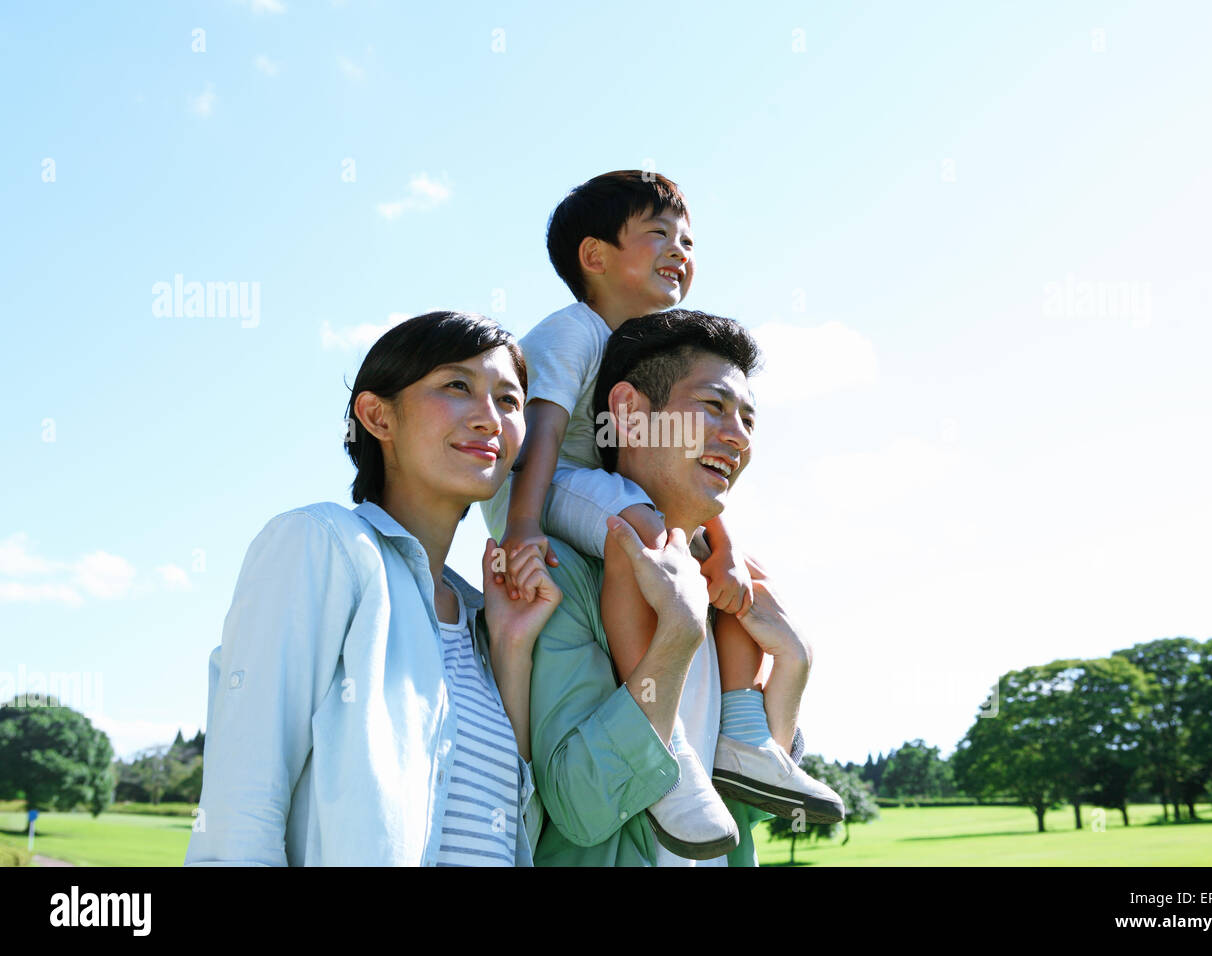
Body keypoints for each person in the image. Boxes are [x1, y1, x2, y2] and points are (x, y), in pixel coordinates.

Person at [481, 171, 833, 858]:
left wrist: (787, 653)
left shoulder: (635, 345)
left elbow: (700, 508)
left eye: (688, 240)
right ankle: (664, 749)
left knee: (720, 574)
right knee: (634, 538)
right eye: (659, 234)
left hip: (599, 493)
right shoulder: (574, 333)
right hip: (542, 489)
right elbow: (542, 435)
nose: (680, 251)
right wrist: (522, 528)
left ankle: (745, 734)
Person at [184, 311, 561, 866]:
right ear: (377, 416)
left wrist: (510, 647)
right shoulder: (321, 543)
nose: (490, 419)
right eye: (458, 386)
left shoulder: (484, 616)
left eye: (509, 401)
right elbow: (242, 797)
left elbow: (505, 828)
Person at [527, 309, 843, 866]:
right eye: (713, 406)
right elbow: (579, 808)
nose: (738, 436)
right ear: (629, 412)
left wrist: (793, 663)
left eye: (749, 418)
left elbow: (750, 807)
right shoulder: (558, 581)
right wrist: (676, 636)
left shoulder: (727, 585)